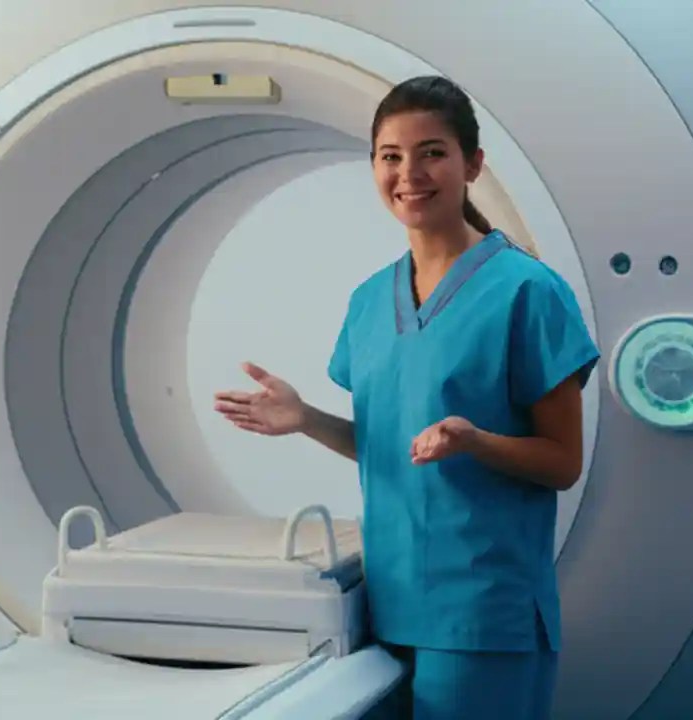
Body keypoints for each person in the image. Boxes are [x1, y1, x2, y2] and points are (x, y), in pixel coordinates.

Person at [213, 75, 600, 719]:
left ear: (472, 164)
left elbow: (563, 462)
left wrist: (473, 441)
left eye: (432, 152)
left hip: (483, 611)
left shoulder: (529, 292)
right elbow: (389, 445)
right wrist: (305, 418)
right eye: (391, 155)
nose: (409, 173)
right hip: (382, 606)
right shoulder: (369, 300)